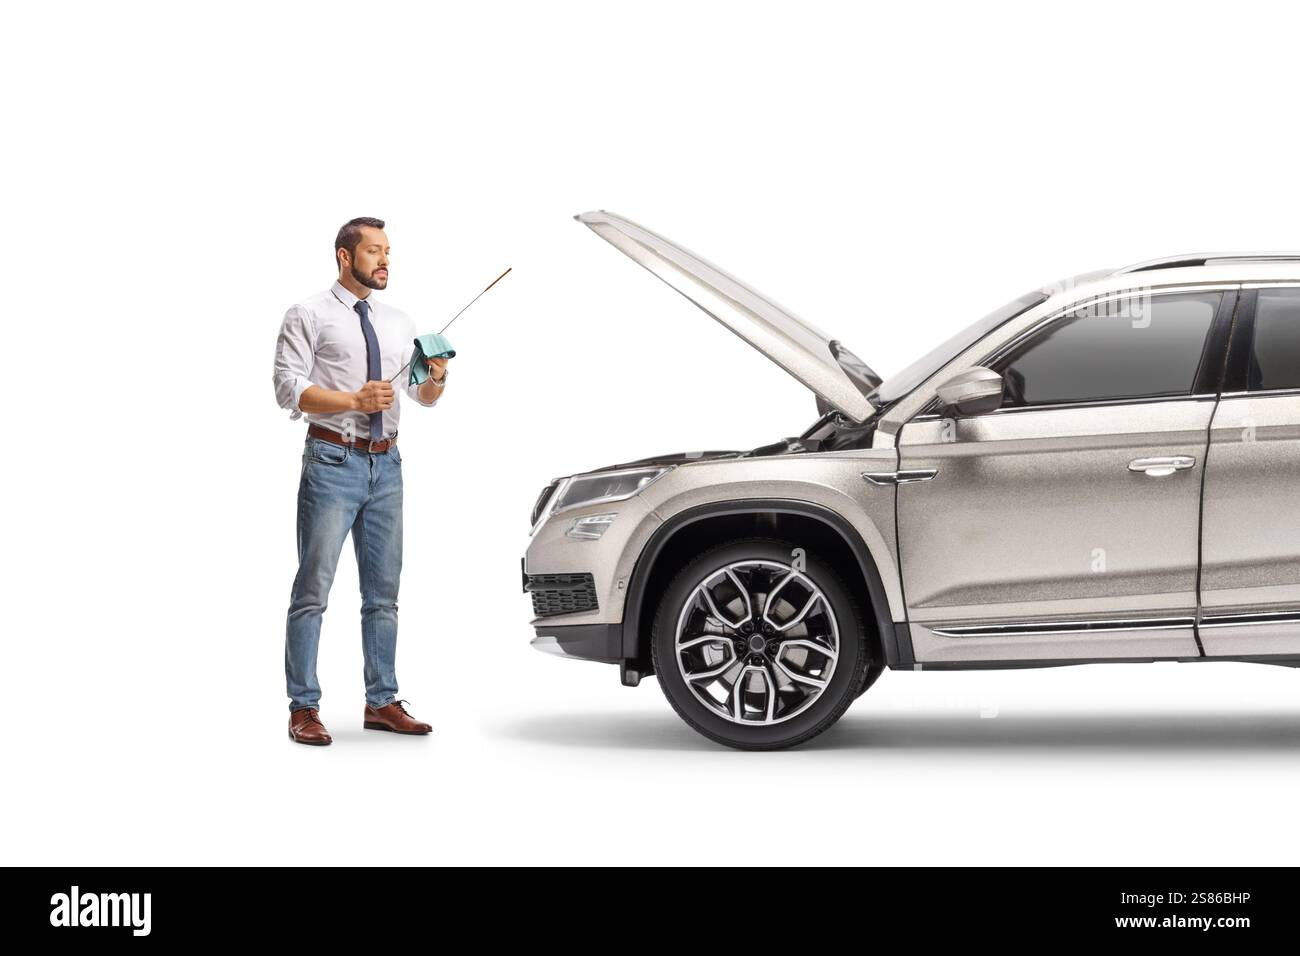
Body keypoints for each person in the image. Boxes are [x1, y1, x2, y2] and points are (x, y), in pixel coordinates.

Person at [272, 216, 448, 745]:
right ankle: (303, 708)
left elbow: (424, 398)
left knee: (383, 594)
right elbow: (287, 388)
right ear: (345, 257)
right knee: (313, 592)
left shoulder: (398, 320)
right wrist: (353, 400)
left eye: (388, 251)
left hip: (386, 466)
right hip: (332, 462)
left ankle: (382, 701)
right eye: (373, 251)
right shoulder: (308, 313)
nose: (384, 260)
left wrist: (436, 374)